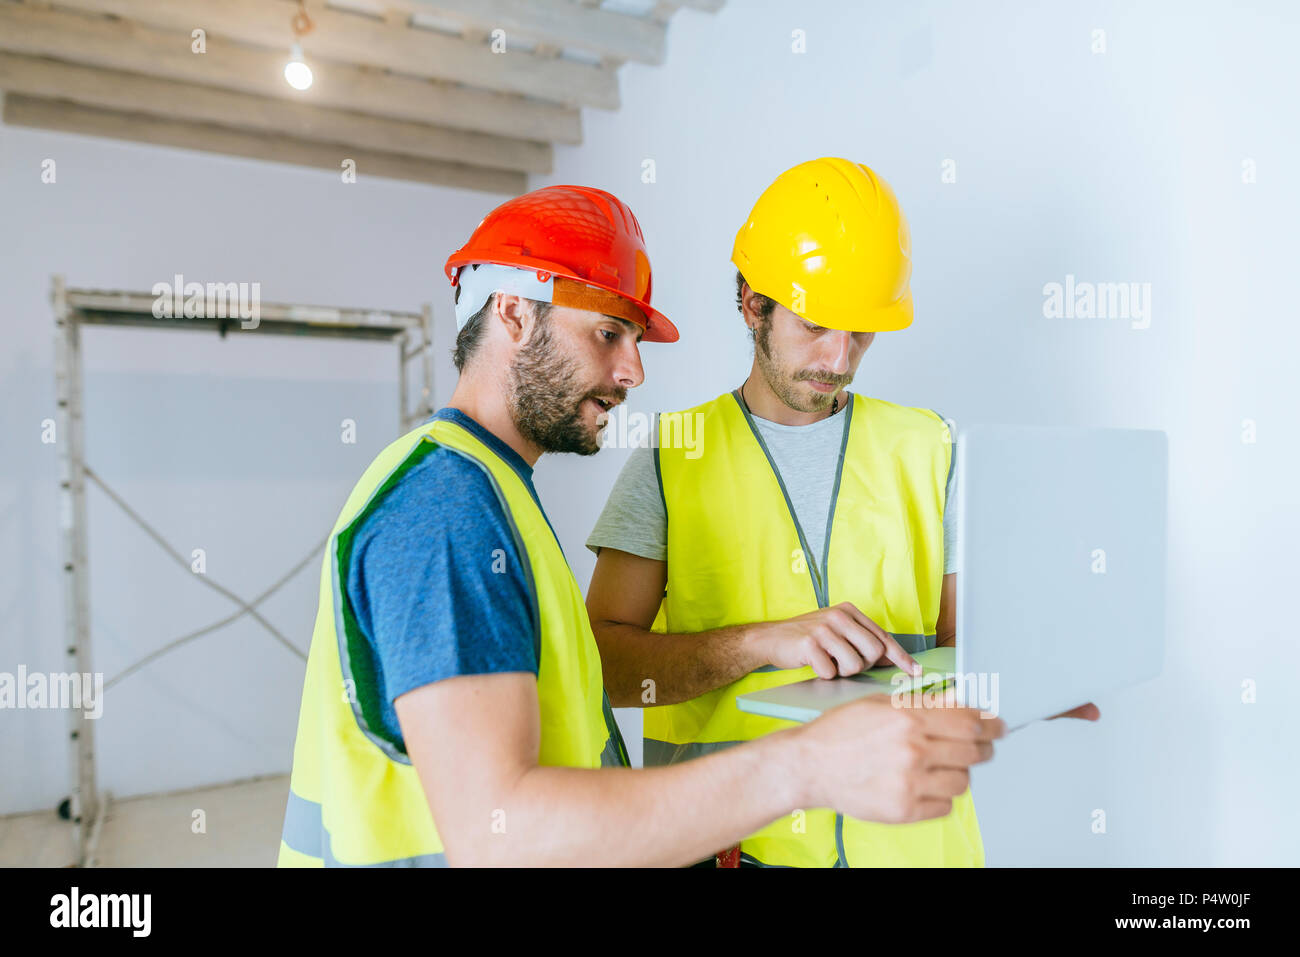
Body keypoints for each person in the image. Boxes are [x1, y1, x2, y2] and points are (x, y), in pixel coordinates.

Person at [278, 182, 1004, 868]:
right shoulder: (444, 508)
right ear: (512, 311)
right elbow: (498, 826)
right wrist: (806, 763)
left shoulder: (494, 492)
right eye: (607, 333)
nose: (634, 371)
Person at [585, 158, 1097, 868]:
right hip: (735, 847)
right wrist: (763, 642)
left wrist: (1030, 673)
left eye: (861, 332)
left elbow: (963, 648)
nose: (838, 357)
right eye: (817, 324)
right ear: (751, 302)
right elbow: (603, 667)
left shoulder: (931, 447)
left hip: (913, 849)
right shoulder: (676, 454)